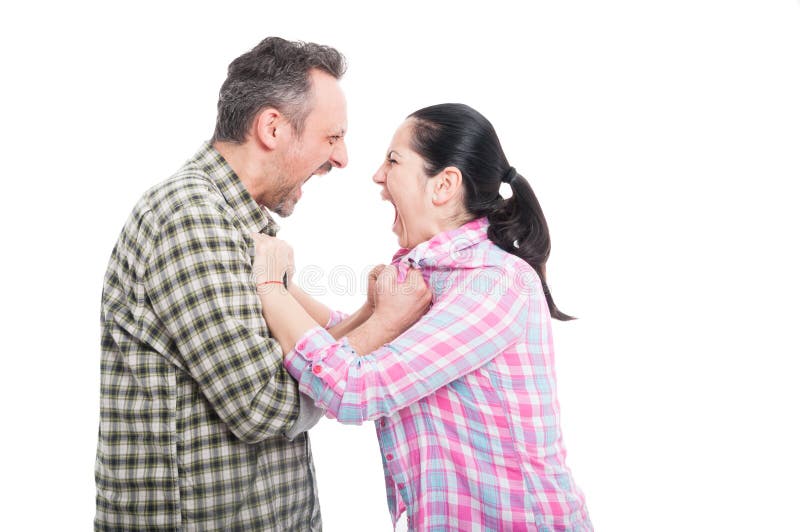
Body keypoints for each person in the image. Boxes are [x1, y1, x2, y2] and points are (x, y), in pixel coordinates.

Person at [95, 37, 420, 531]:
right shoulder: (190, 218)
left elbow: (300, 358)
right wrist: (386, 324)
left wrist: (368, 317)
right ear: (271, 128)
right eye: (332, 137)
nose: (343, 158)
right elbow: (263, 404)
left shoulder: (241, 226)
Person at [252, 103, 593, 530]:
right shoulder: (434, 274)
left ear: (444, 185)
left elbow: (355, 386)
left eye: (393, 161)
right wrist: (283, 288)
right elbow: (356, 342)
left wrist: (267, 287)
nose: (377, 175)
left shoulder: (498, 284)